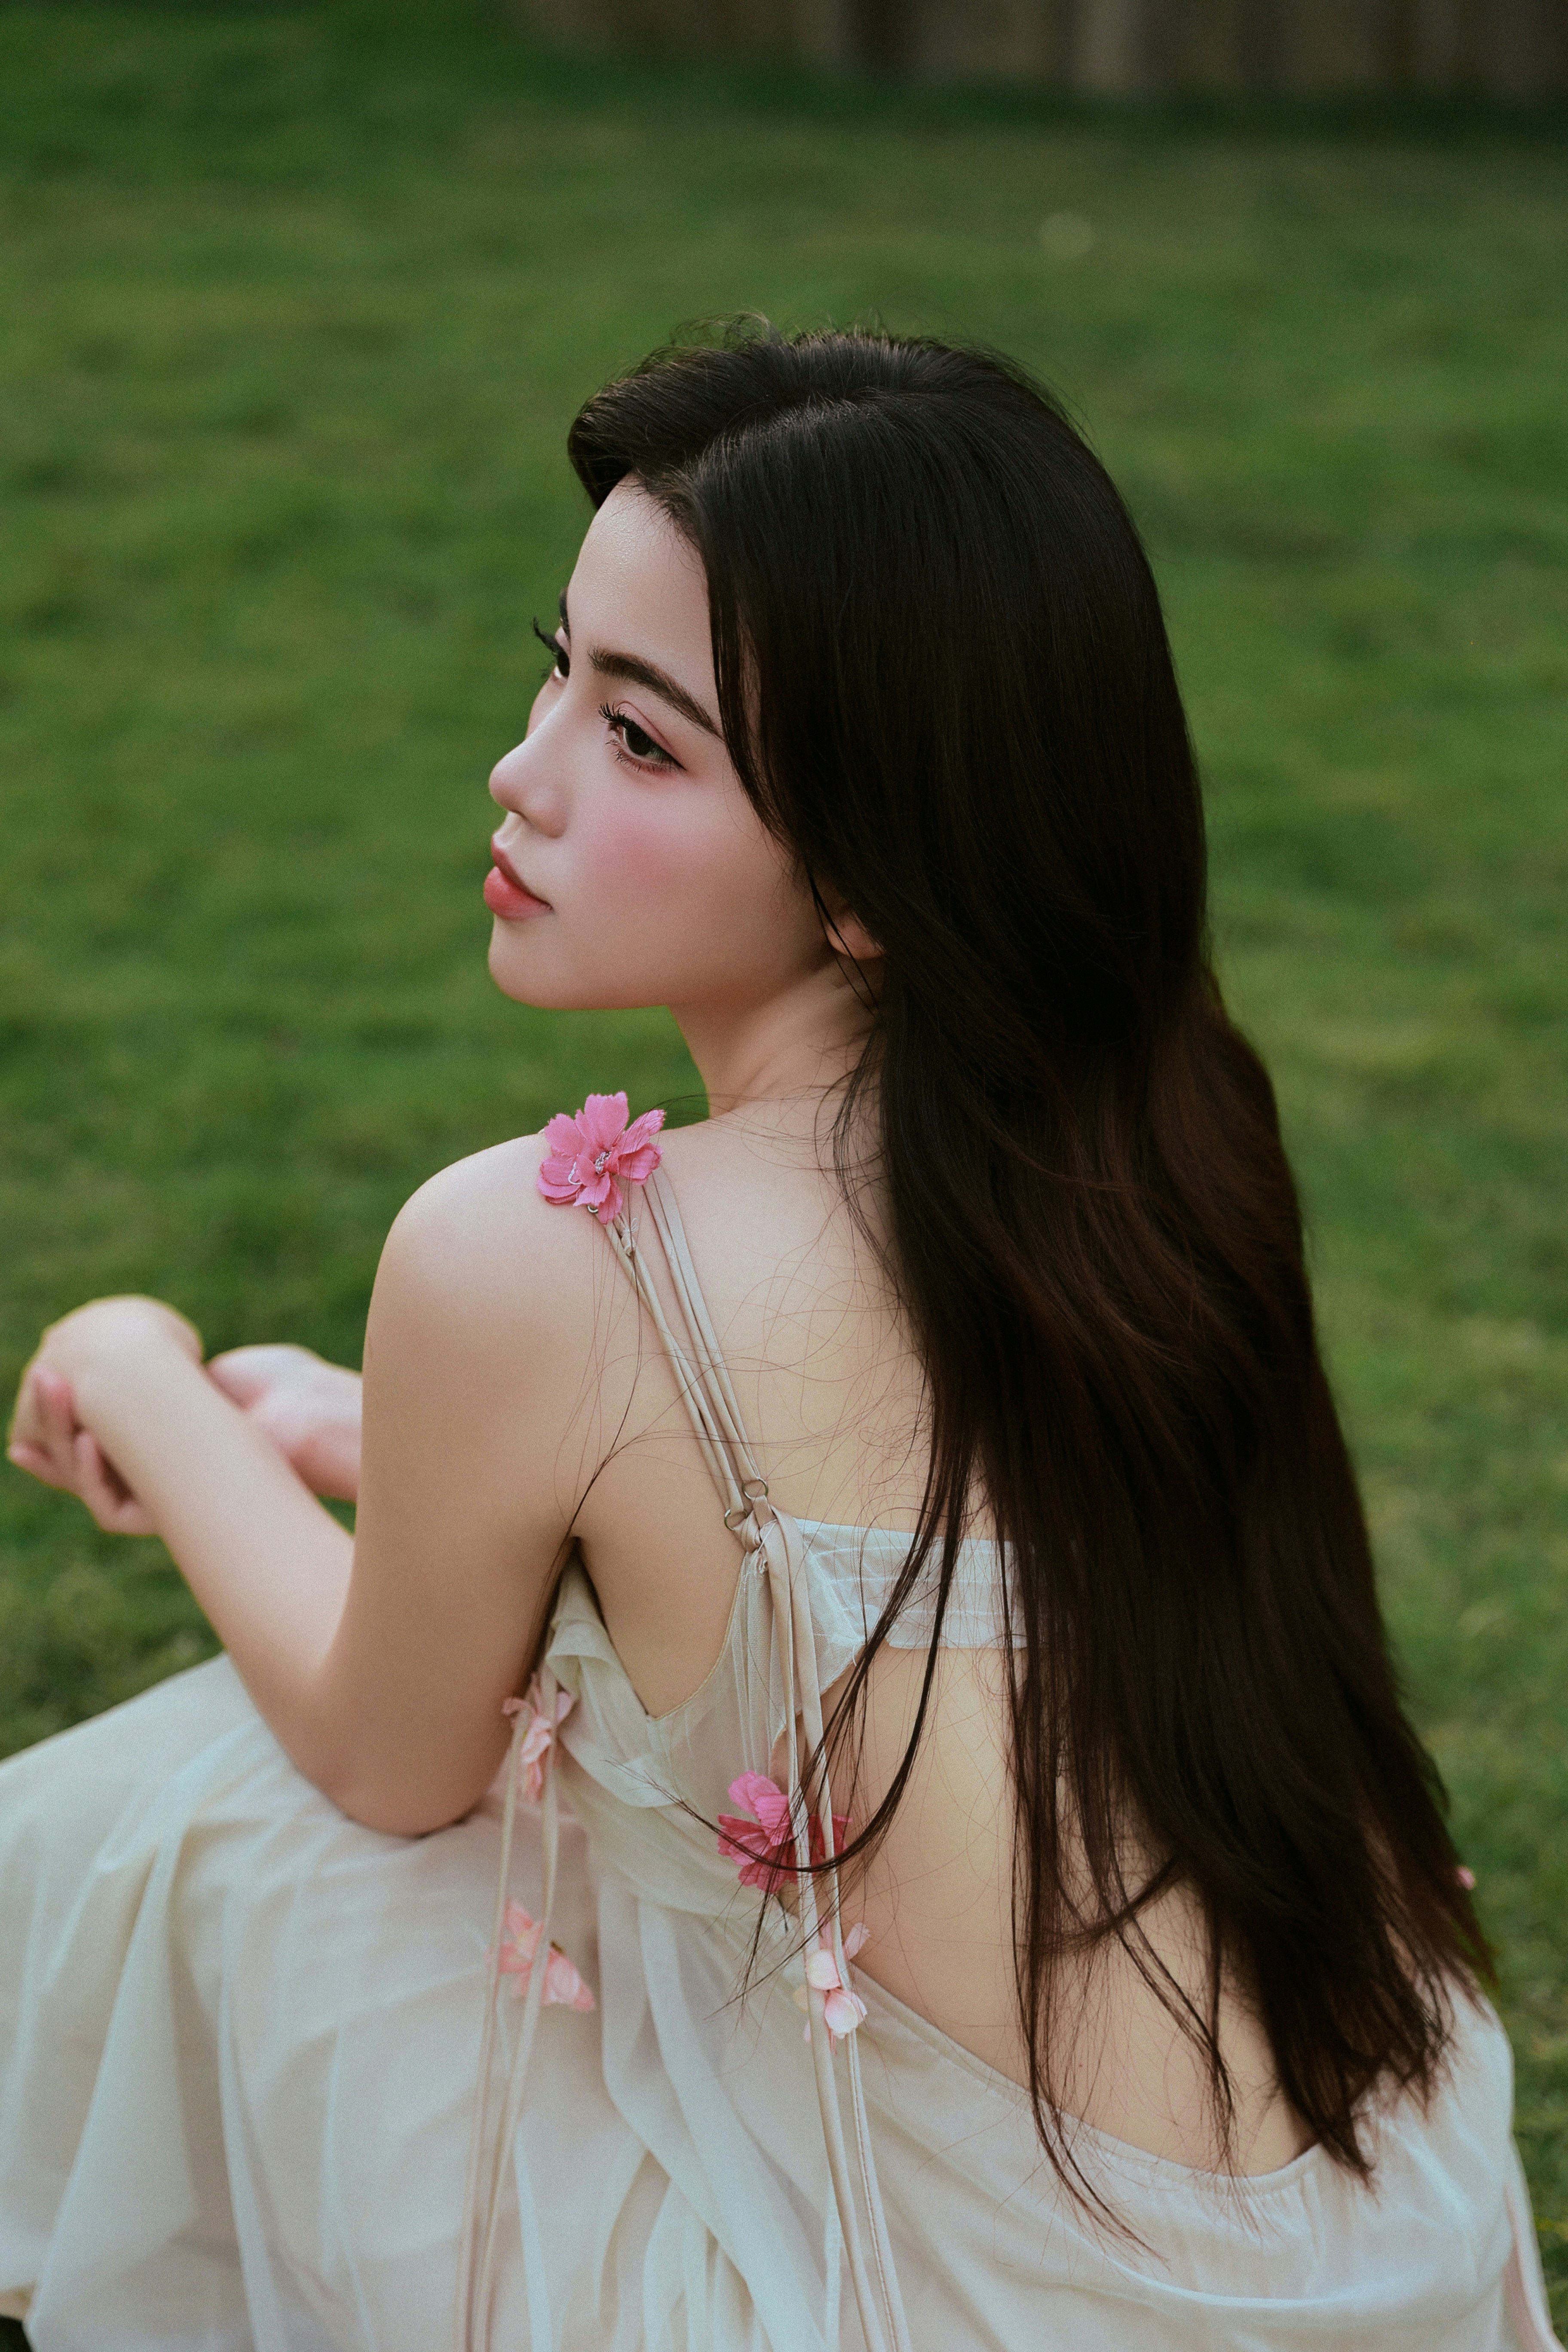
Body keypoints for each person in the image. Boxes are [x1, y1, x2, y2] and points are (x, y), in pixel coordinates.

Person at [0, 324, 1557, 2352]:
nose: (522, 768)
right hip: (1360, 2224)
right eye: (553, 666)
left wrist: (132, 1369)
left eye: (642, 740)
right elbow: (878, 1540)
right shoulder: (1152, 1147)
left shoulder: (549, 1254)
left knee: (222, 1811)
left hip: (954, 2308)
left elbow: (389, 1759)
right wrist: (394, 1434)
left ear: (884, 870)